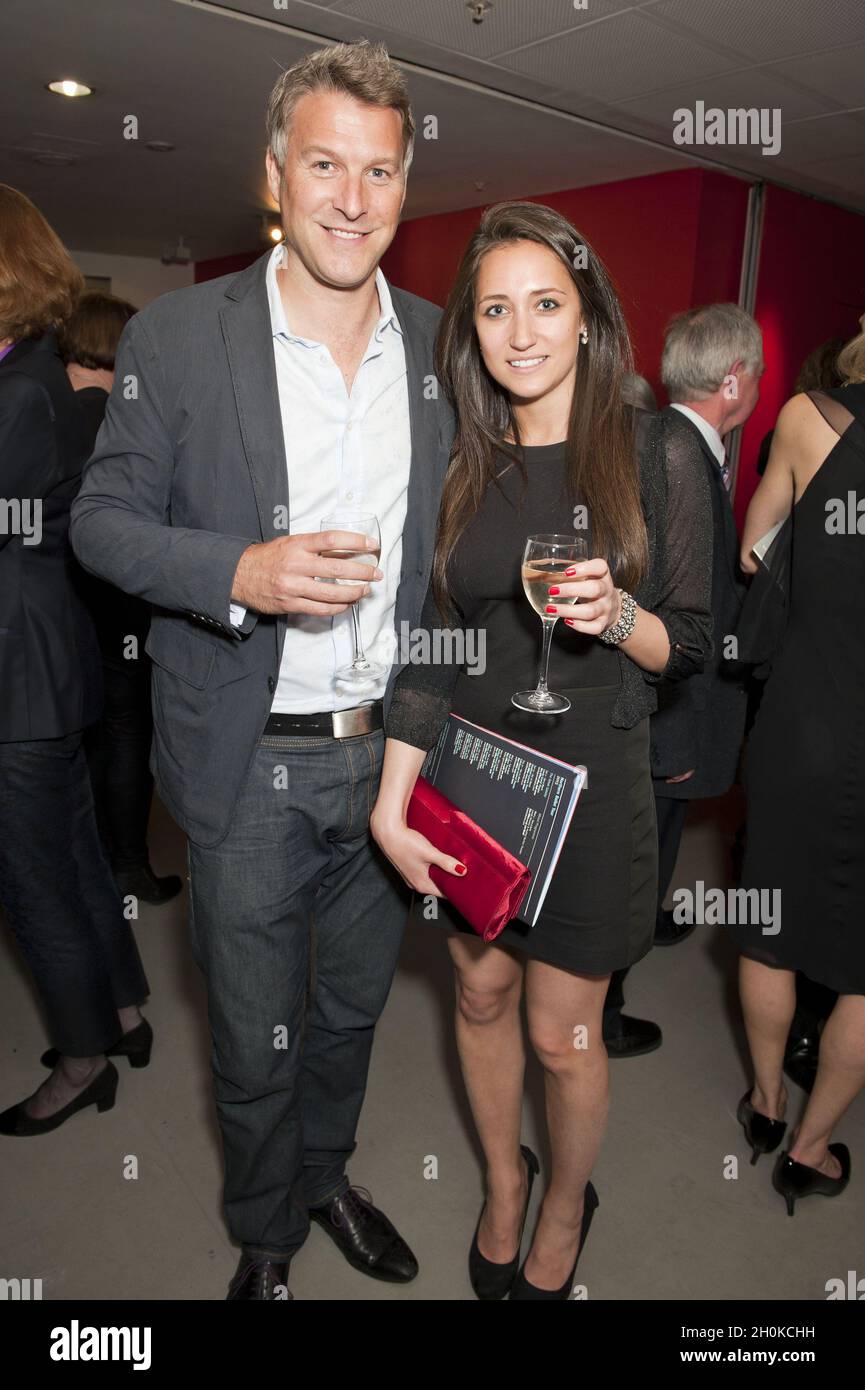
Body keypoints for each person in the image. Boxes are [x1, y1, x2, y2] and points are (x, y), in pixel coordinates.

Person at [71, 41, 456, 1300]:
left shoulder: (444, 352)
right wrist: (241, 569)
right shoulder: (181, 337)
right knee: (251, 1033)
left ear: (405, 186)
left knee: (348, 1015)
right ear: (275, 175)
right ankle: (266, 1235)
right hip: (248, 764)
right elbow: (100, 523)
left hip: (388, 759)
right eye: (326, 164)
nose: (353, 198)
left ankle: (324, 1175)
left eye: (381, 171)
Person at [370, 200, 713, 1299]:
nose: (520, 332)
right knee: (475, 995)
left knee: (564, 1036)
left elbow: (691, 648)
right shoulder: (464, 465)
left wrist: (613, 615)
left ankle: (566, 1201)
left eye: (545, 304)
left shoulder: (654, 449)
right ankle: (504, 1185)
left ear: (586, 316)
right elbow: (431, 639)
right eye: (495, 310)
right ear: (471, 331)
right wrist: (393, 795)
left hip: (594, 789)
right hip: (473, 779)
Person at [0, 185, 150, 1137]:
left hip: (20, 669)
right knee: (78, 857)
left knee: (33, 876)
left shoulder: (18, 390)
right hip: (46, 658)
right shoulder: (40, 374)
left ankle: (85, 1056)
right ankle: (126, 1010)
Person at [730, 326, 865, 1213]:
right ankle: (809, 1149)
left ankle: (766, 1102)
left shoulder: (808, 421)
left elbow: (753, 553)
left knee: (767, 919)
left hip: (799, 721)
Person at [603, 306, 762, 1055]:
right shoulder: (681, 454)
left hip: (650, 711)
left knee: (641, 861)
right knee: (640, 865)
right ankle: (602, 1011)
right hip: (664, 715)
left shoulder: (658, 438)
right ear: (732, 381)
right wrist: (676, 738)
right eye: (755, 372)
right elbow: (678, 615)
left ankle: (608, 986)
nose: (758, 386)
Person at [61, 292, 182, 906]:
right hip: (119, 606)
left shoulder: (48, 410)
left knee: (98, 738)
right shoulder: (112, 419)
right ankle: (128, 864)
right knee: (129, 731)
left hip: (69, 614)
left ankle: (98, 865)